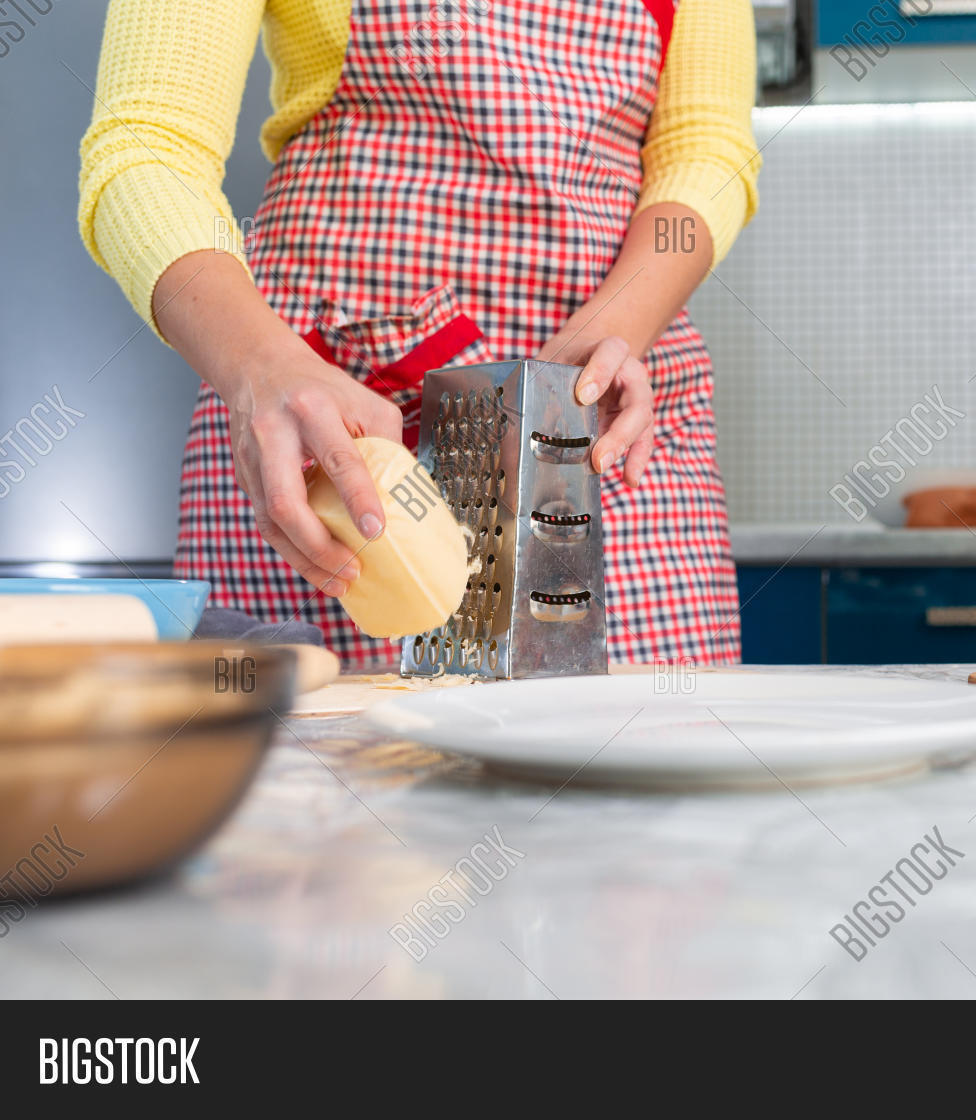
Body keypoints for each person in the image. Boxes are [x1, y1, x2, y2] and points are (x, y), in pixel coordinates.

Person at [79, 0, 760, 666]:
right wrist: (260, 362)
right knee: (310, 771)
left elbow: (705, 152)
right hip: (325, 435)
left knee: (642, 761)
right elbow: (147, 145)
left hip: (609, 426)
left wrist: (617, 324)